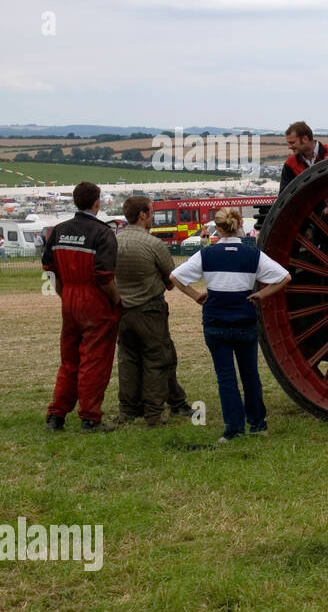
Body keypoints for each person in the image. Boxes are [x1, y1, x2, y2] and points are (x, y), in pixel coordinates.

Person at [170, 207, 291, 443]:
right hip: (245, 320)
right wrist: (262, 295)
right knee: (250, 375)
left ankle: (233, 429)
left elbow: (175, 277)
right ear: (238, 227)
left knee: (226, 378)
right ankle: (257, 423)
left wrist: (196, 296)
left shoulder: (207, 255)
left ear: (218, 229)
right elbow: (284, 277)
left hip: (216, 321)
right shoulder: (252, 254)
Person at [43, 182, 123, 432]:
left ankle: (56, 415)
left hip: (68, 299)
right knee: (94, 361)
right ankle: (90, 417)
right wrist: (117, 300)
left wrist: (64, 295)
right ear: (97, 202)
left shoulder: (58, 231)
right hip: (95, 302)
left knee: (69, 360)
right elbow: (104, 275)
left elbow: (49, 270)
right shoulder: (103, 233)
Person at [113, 195, 192, 426]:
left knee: (127, 360)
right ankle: (154, 413)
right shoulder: (154, 245)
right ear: (142, 215)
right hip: (149, 309)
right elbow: (171, 279)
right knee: (157, 359)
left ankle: (127, 410)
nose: (154, 217)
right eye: (152, 212)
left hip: (122, 311)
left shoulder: (113, 241)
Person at [280, 122, 328, 192]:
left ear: (305, 139)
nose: (289, 147)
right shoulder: (290, 164)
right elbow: (284, 195)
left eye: (292, 143)